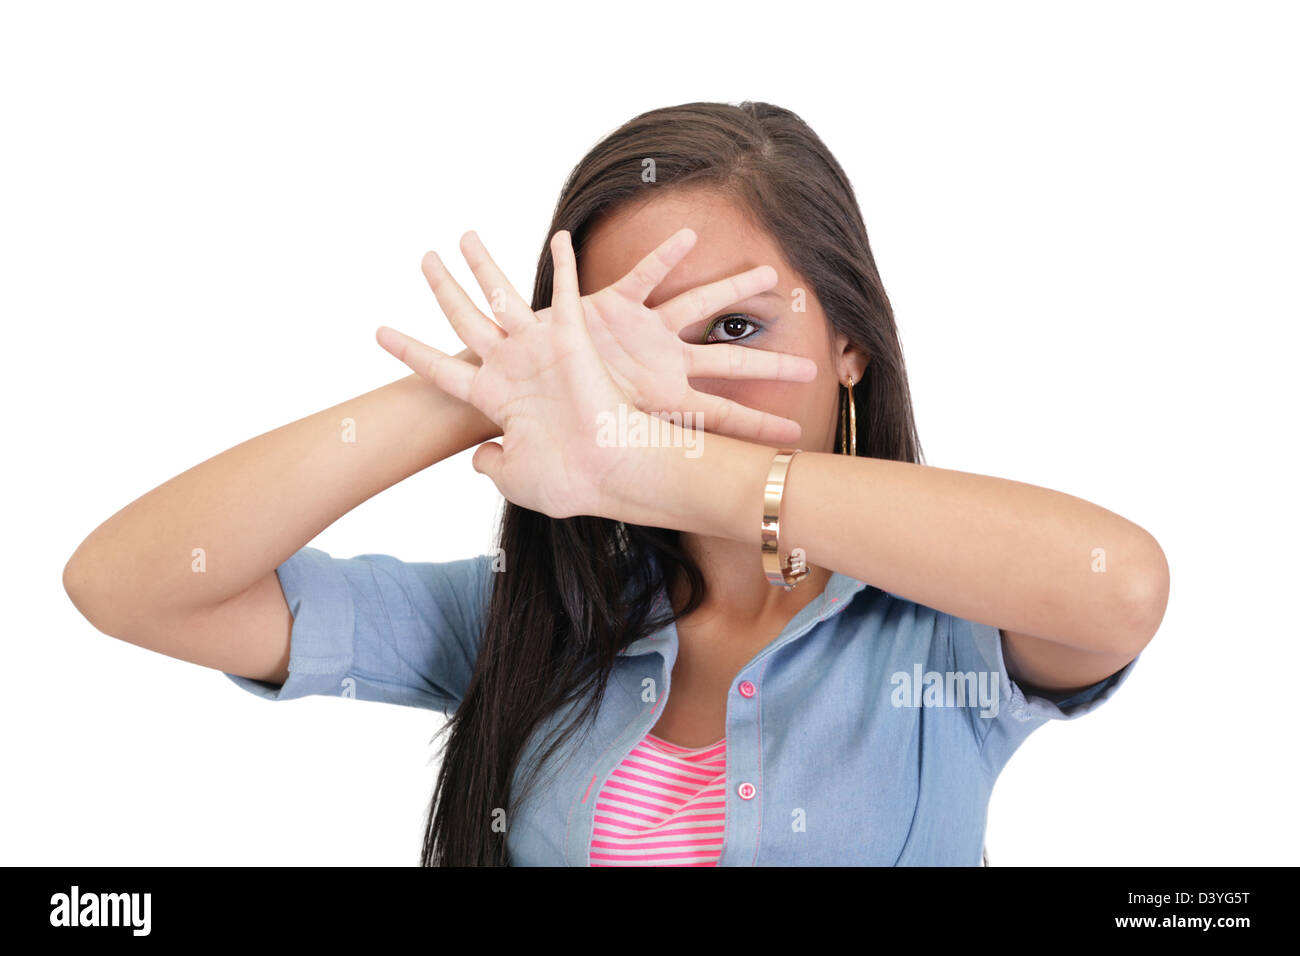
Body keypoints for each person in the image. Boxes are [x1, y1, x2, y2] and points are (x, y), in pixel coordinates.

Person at [63, 101, 1169, 866]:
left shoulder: (941, 625)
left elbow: (1115, 583)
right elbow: (131, 584)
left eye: (733, 328)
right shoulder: (526, 619)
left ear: (850, 346)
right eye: (625, 338)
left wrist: (665, 467)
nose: (677, 377)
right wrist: (500, 385)